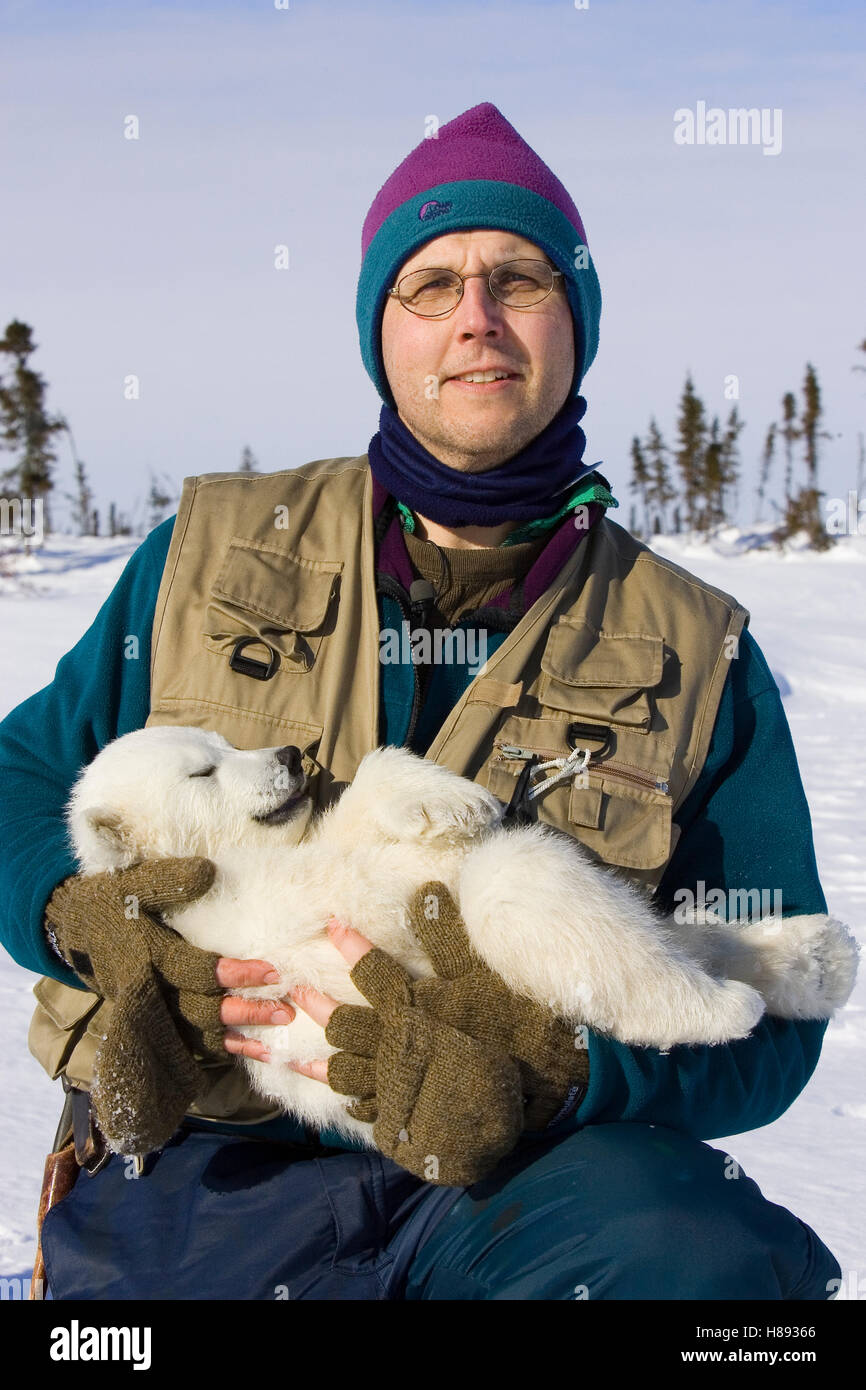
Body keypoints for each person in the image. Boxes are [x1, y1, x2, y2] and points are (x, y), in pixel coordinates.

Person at [0, 102, 842, 1300]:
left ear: (575, 320)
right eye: (429, 285)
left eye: (519, 277)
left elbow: (770, 1020)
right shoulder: (204, 556)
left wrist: (562, 1068)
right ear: (379, 334)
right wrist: (83, 915)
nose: (476, 319)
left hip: (519, 1179)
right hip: (204, 1164)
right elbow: (18, 777)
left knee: (706, 1270)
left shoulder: (693, 651)